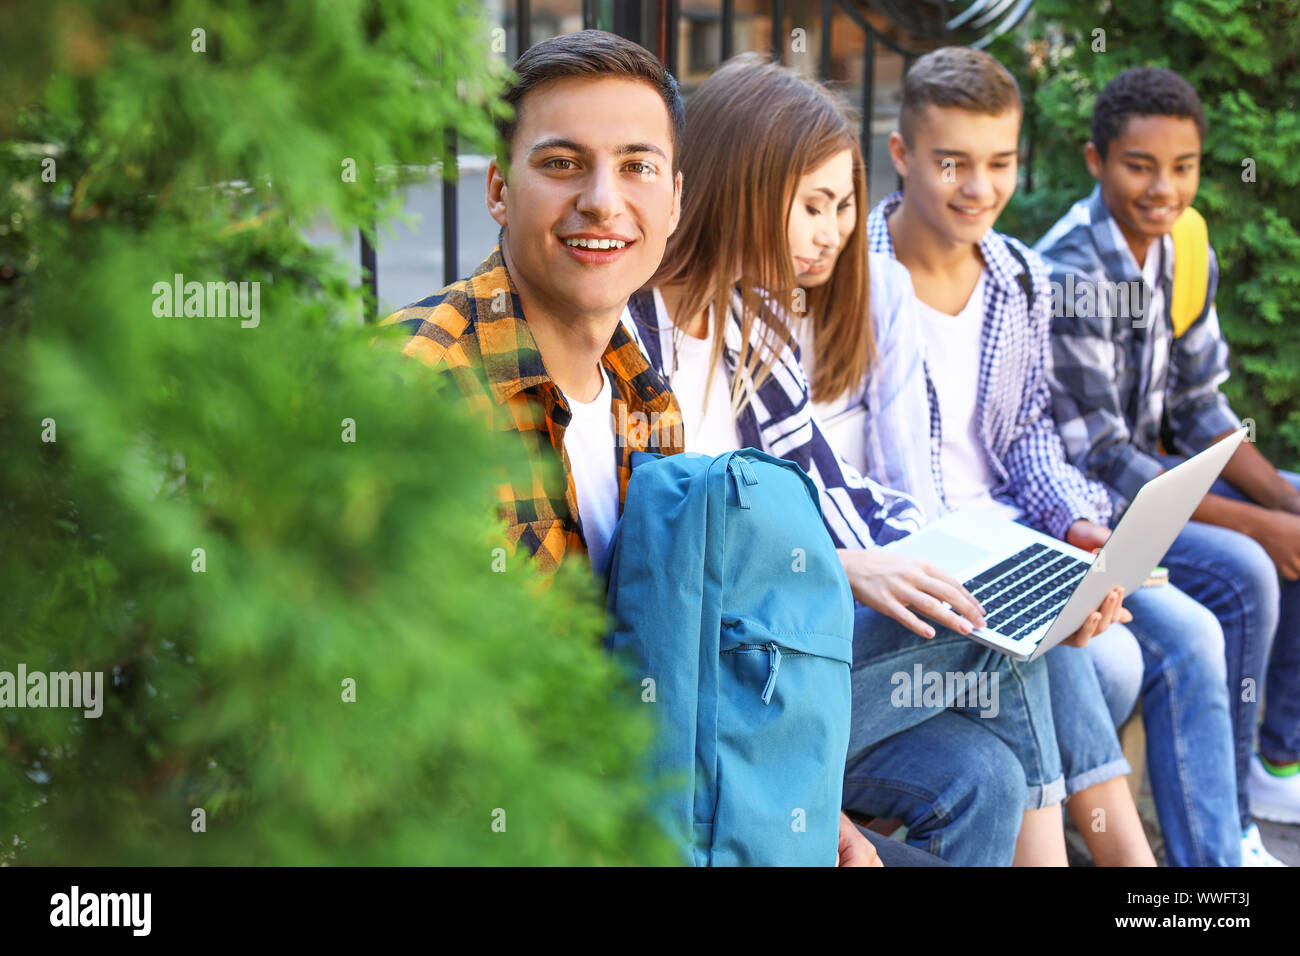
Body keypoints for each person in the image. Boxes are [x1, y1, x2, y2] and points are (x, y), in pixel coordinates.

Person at [381, 29, 920, 866]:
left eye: (635, 167)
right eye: (562, 164)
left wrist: (795, 809)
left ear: (674, 197)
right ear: (497, 189)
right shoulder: (415, 388)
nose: (603, 200)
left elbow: (686, 672)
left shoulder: (645, 397)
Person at [631, 53, 1130, 865]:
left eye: (843, 207)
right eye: (814, 207)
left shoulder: (751, 325)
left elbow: (834, 492)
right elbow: (675, 571)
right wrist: (841, 568)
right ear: (746, 190)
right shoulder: (636, 339)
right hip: (718, 691)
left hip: (792, 655)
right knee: (994, 627)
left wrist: (956, 546)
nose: (834, 235)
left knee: (984, 775)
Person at [1036, 66, 1293, 864]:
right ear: (1096, 161)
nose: (1163, 189)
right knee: (1249, 567)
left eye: (1182, 167)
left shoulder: (1185, 245)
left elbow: (1202, 406)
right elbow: (1107, 459)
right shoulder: (1076, 271)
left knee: (1293, 515)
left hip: (1161, 481)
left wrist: (1285, 500)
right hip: (1092, 506)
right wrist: (1264, 523)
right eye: (1139, 166)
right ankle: (1231, 830)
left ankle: (1273, 756)